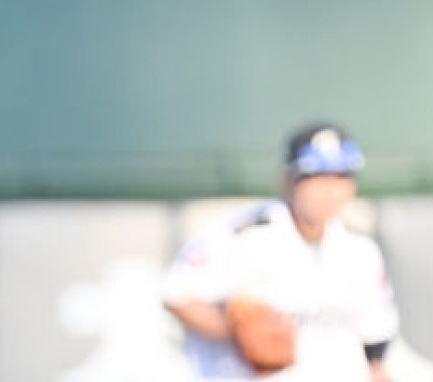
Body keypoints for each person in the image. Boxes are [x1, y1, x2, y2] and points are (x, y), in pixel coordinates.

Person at [162, 122, 398, 382]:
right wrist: (232, 328)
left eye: (341, 177)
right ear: (287, 181)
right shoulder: (244, 235)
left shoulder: (360, 250)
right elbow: (177, 294)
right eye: (315, 177)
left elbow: (375, 338)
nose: (330, 190)